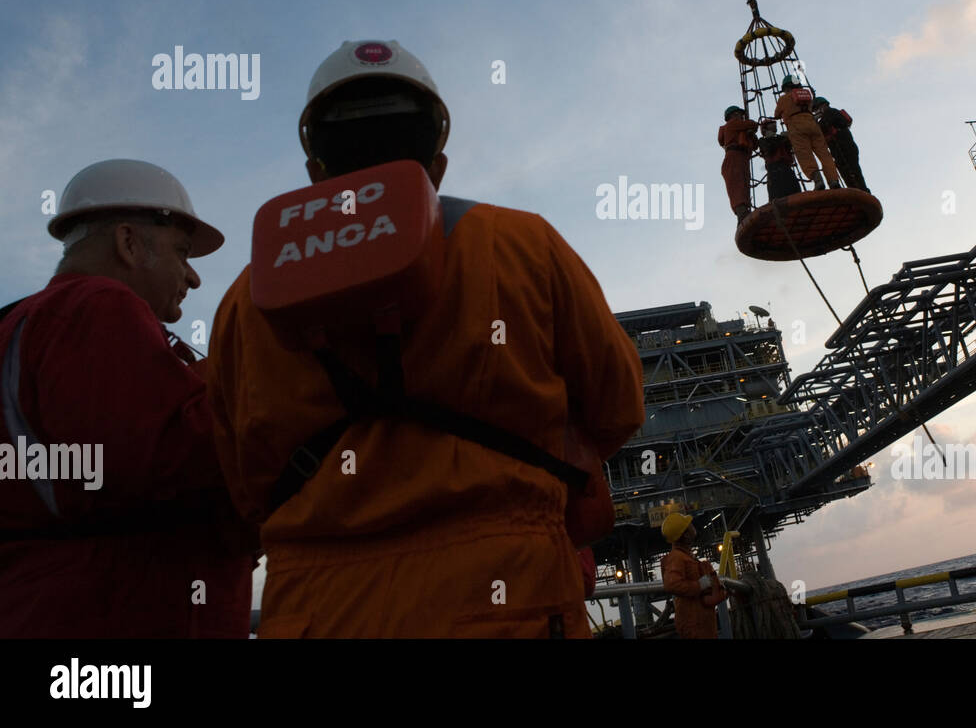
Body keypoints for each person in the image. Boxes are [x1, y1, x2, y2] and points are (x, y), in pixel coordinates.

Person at [206, 39, 644, 638]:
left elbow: (244, 489)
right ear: (437, 164)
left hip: (313, 612)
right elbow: (620, 408)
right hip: (505, 604)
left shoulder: (242, 302)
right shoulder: (521, 243)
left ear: (315, 174)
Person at [0, 159, 254, 637]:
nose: (194, 278)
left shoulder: (18, 324)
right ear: (129, 243)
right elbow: (175, 459)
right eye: (183, 252)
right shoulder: (97, 306)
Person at [660, 512, 727, 638]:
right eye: (689, 525)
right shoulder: (677, 558)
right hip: (693, 625)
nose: (692, 526)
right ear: (685, 535)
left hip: (702, 623)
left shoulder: (686, 556)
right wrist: (699, 585)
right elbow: (672, 584)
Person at [773, 75, 840, 191]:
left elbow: (776, 114)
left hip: (796, 126)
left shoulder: (783, 99)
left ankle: (817, 179)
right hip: (812, 124)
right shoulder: (807, 95)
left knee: (804, 154)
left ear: (786, 88)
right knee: (824, 154)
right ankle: (833, 180)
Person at [813, 96, 870, 193]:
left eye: (816, 109)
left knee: (850, 170)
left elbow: (822, 127)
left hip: (842, 147)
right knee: (851, 170)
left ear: (822, 106)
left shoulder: (830, 112)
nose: (816, 112)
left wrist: (813, 122)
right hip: (844, 147)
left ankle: (860, 191)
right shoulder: (834, 113)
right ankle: (858, 190)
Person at [718, 105, 759, 224]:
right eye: (739, 114)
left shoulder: (740, 129)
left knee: (743, 184)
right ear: (733, 115)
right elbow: (752, 124)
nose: (741, 116)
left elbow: (755, 144)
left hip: (741, 158)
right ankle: (742, 214)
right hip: (734, 158)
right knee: (737, 186)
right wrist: (749, 127)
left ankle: (743, 213)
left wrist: (750, 134)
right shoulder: (732, 124)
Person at [757, 118, 800, 202]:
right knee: (778, 197)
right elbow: (769, 149)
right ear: (765, 128)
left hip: (786, 168)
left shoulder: (780, 138)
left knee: (795, 194)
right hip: (774, 171)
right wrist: (780, 139)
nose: (774, 125)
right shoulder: (763, 141)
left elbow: (789, 147)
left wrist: (787, 138)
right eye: (771, 124)